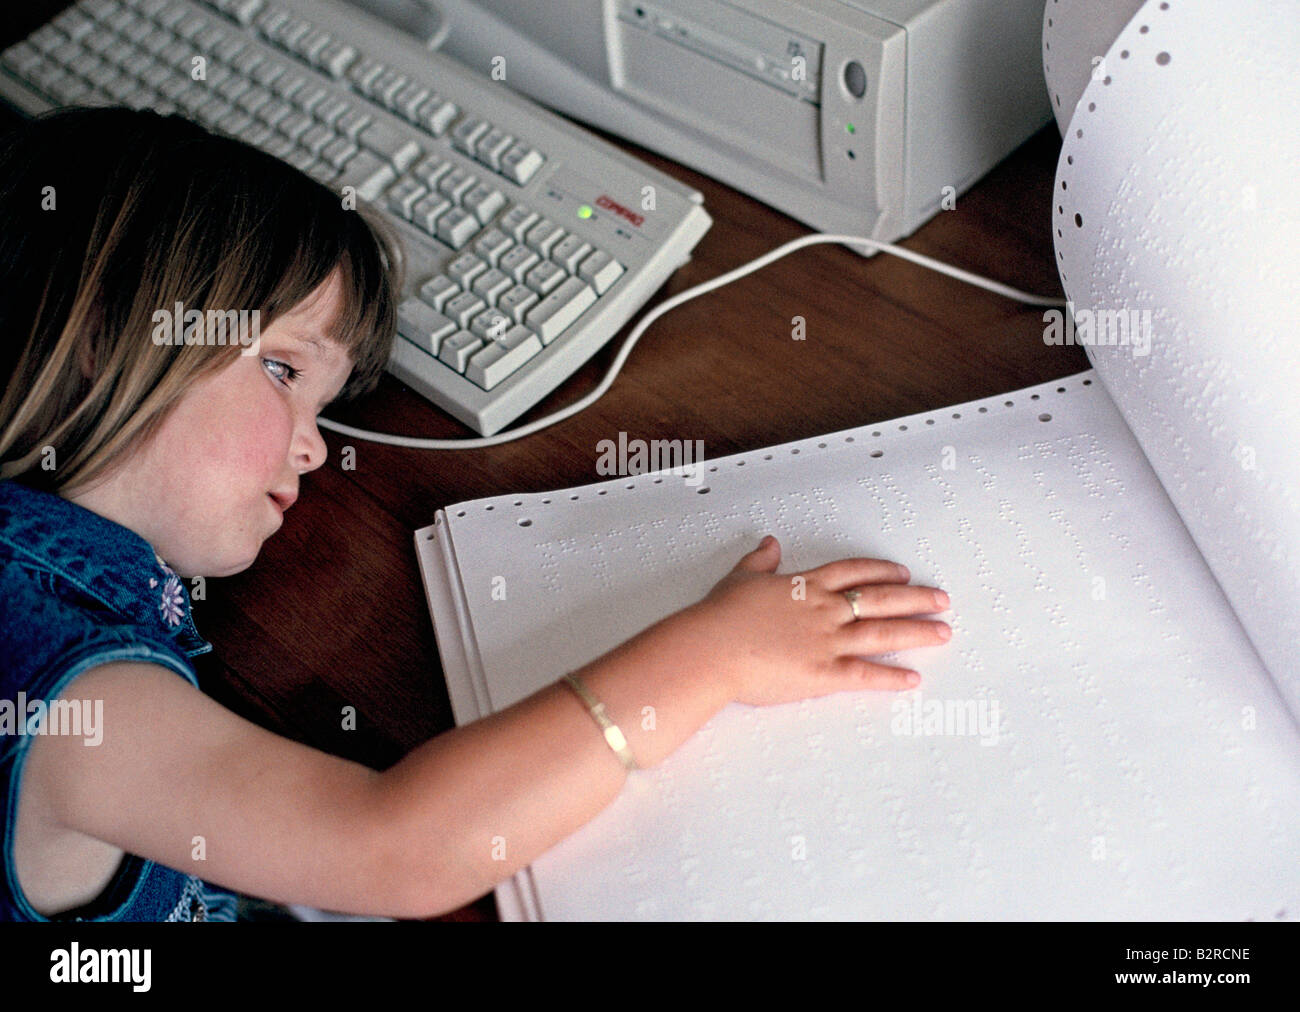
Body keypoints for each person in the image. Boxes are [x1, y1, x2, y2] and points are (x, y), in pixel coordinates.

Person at [0, 107, 952, 921]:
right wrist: (712, 656)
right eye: (283, 372)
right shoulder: (66, 694)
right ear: (101, 336)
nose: (314, 448)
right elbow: (397, 848)